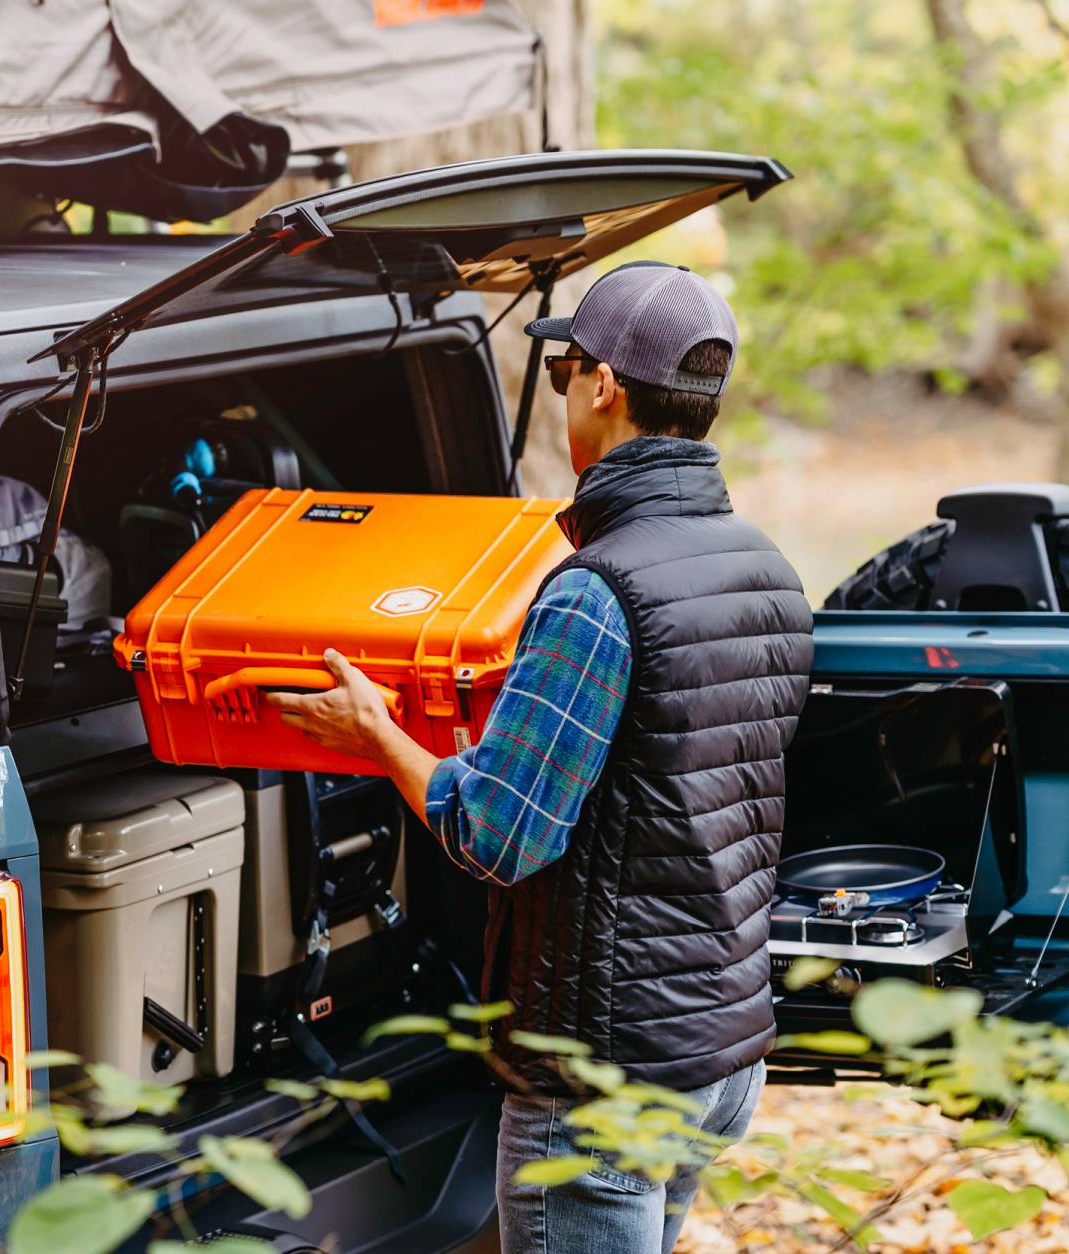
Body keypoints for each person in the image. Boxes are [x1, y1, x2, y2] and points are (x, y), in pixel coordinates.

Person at [267, 261, 815, 1254]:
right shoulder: (763, 567)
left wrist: (376, 735)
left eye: (564, 370)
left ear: (600, 383)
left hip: (603, 1076)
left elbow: (495, 835)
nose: (564, 393)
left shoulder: (595, 591)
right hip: (717, 1052)